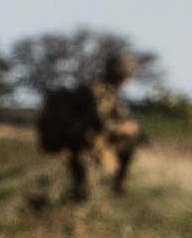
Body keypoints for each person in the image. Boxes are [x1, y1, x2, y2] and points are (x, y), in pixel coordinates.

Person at [36, 45, 147, 202]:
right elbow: (101, 124)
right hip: (83, 148)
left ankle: (117, 189)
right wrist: (125, 129)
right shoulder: (99, 93)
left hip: (86, 146)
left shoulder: (104, 92)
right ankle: (41, 208)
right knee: (85, 195)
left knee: (84, 193)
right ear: (123, 76)